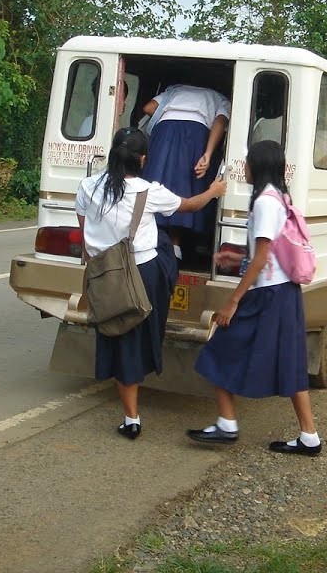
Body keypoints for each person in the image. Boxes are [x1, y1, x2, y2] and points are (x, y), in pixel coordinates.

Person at [75, 127, 227, 440]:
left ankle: (131, 416)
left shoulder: (88, 186)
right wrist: (214, 190)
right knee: (161, 249)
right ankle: (132, 418)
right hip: (141, 275)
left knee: (115, 334)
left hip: (103, 275)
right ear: (143, 159)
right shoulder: (148, 190)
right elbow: (191, 206)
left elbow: (84, 233)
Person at [186, 140, 322, 456]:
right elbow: (267, 252)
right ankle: (309, 436)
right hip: (284, 294)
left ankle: (227, 424)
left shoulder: (264, 203)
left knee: (219, 349)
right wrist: (234, 258)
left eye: (246, 163)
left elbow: (261, 259)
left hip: (266, 296)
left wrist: (232, 301)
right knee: (290, 363)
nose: (242, 168)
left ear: (257, 166)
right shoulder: (279, 197)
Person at [141, 82, 232, 260]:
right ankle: (177, 245)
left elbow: (148, 108)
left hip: (164, 131)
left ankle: (152, 240)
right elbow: (220, 122)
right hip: (195, 134)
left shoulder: (173, 91)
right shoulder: (221, 98)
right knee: (185, 185)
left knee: (158, 182)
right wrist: (207, 153)